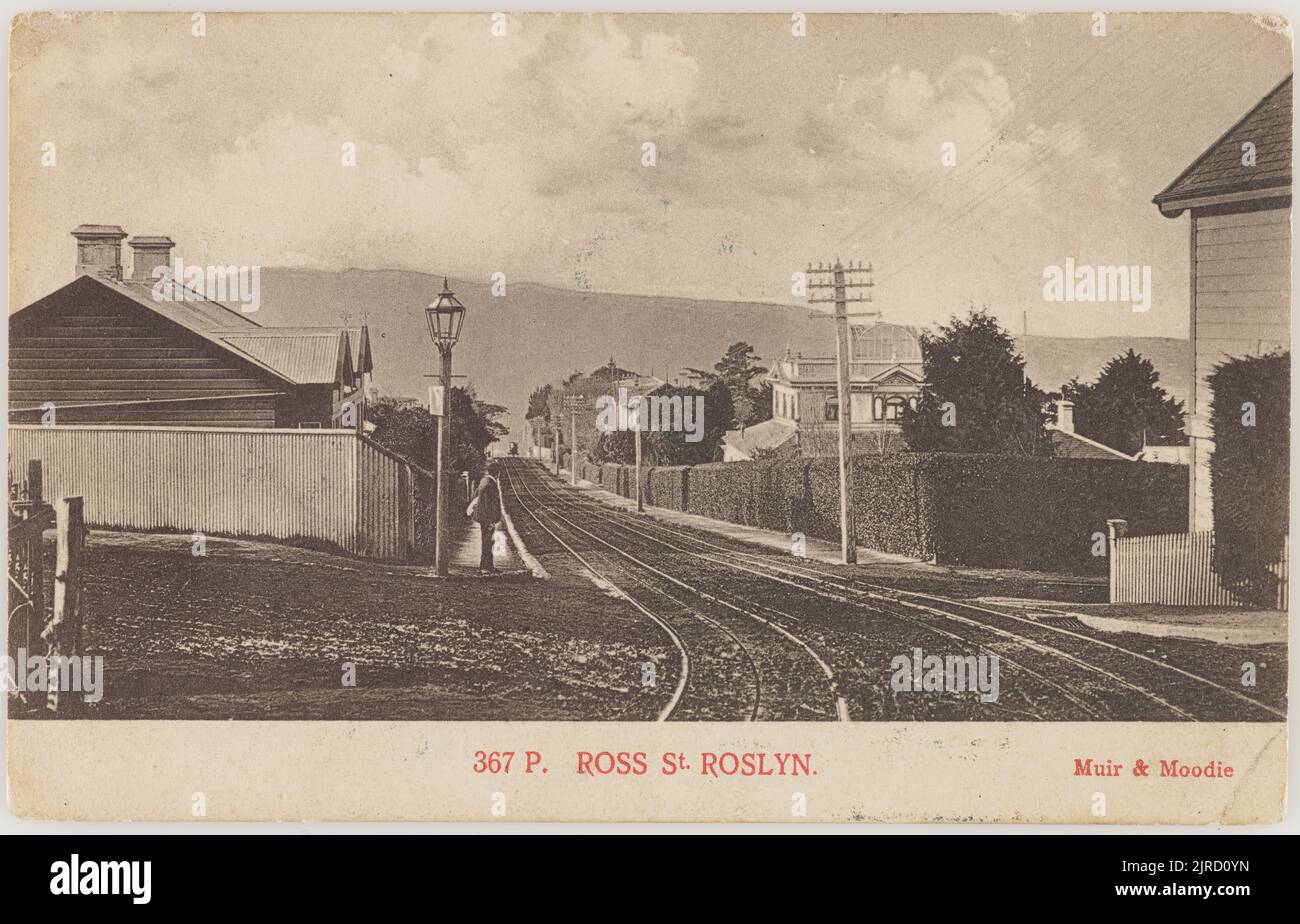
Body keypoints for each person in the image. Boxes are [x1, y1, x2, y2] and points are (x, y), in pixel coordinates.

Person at [466, 460, 504, 573]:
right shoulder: (489, 484)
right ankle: (484, 567)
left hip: (484, 518)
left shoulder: (484, 481)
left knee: (488, 541)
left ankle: (488, 566)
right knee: (487, 541)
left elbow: (475, 495)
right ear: (497, 473)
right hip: (487, 519)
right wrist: (491, 520)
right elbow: (488, 504)